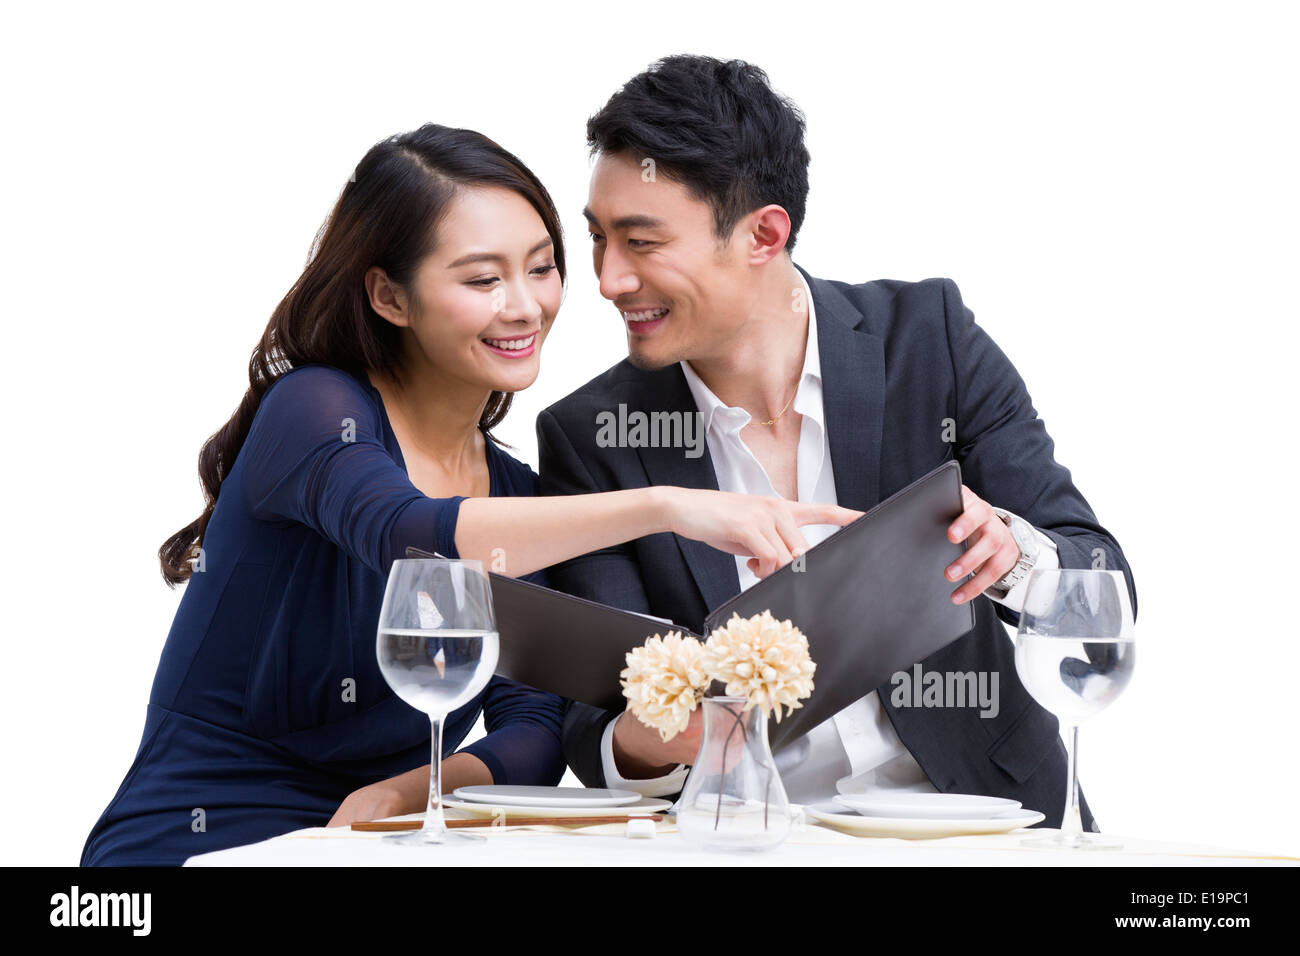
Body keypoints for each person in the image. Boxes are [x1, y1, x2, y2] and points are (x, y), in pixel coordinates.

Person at [81, 123, 862, 866]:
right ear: (389, 297)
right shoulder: (317, 412)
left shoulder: (516, 495)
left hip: (379, 841)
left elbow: (532, 728)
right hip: (208, 834)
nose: (525, 305)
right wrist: (666, 504)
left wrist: (407, 789)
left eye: (542, 266)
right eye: (483, 279)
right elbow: (406, 533)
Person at [538, 55, 1139, 828]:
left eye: (641, 242)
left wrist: (1013, 558)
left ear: (764, 233)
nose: (608, 279)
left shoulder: (932, 340)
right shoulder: (592, 437)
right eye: (596, 239)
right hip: (747, 842)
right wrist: (661, 736)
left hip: (986, 823)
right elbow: (595, 736)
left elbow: (1103, 582)